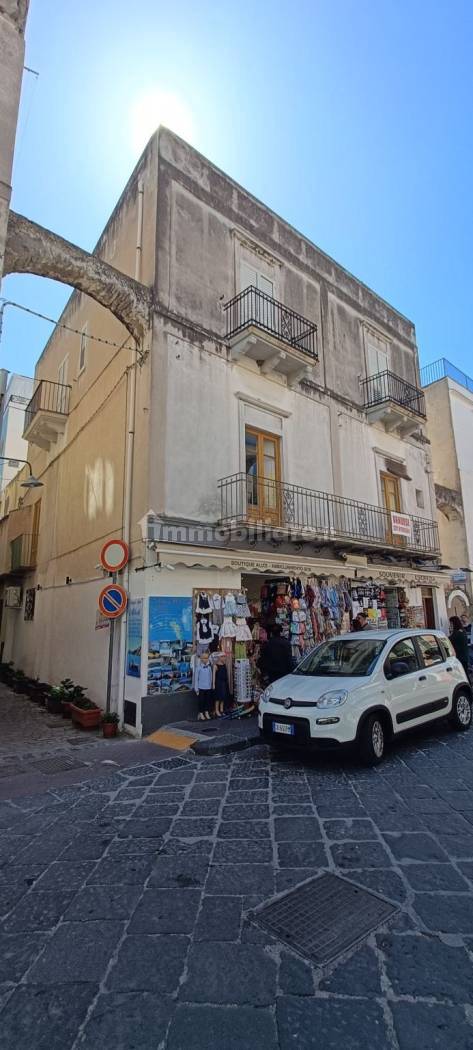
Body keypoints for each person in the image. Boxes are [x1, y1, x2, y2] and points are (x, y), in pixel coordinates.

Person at [193, 650, 213, 720]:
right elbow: (196, 679)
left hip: (208, 687)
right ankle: (201, 712)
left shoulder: (209, 667)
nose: (205, 659)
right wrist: (196, 689)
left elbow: (210, 677)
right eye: (204, 658)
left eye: (207, 658)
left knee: (207, 701)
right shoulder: (198, 668)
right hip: (201, 687)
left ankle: (206, 712)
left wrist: (210, 685)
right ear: (201, 658)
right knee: (201, 701)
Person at [213, 652, 231, 717]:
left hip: (224, 683)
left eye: (224, 656)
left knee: (223, 697)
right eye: (222, 657)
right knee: (218, 697)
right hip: (218, 683)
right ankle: (216, 710)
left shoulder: (224, 665)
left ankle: (221, 709)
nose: (224, 658)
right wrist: (213, 684)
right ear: (219, 657)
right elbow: (214, 676)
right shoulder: (215, 666)